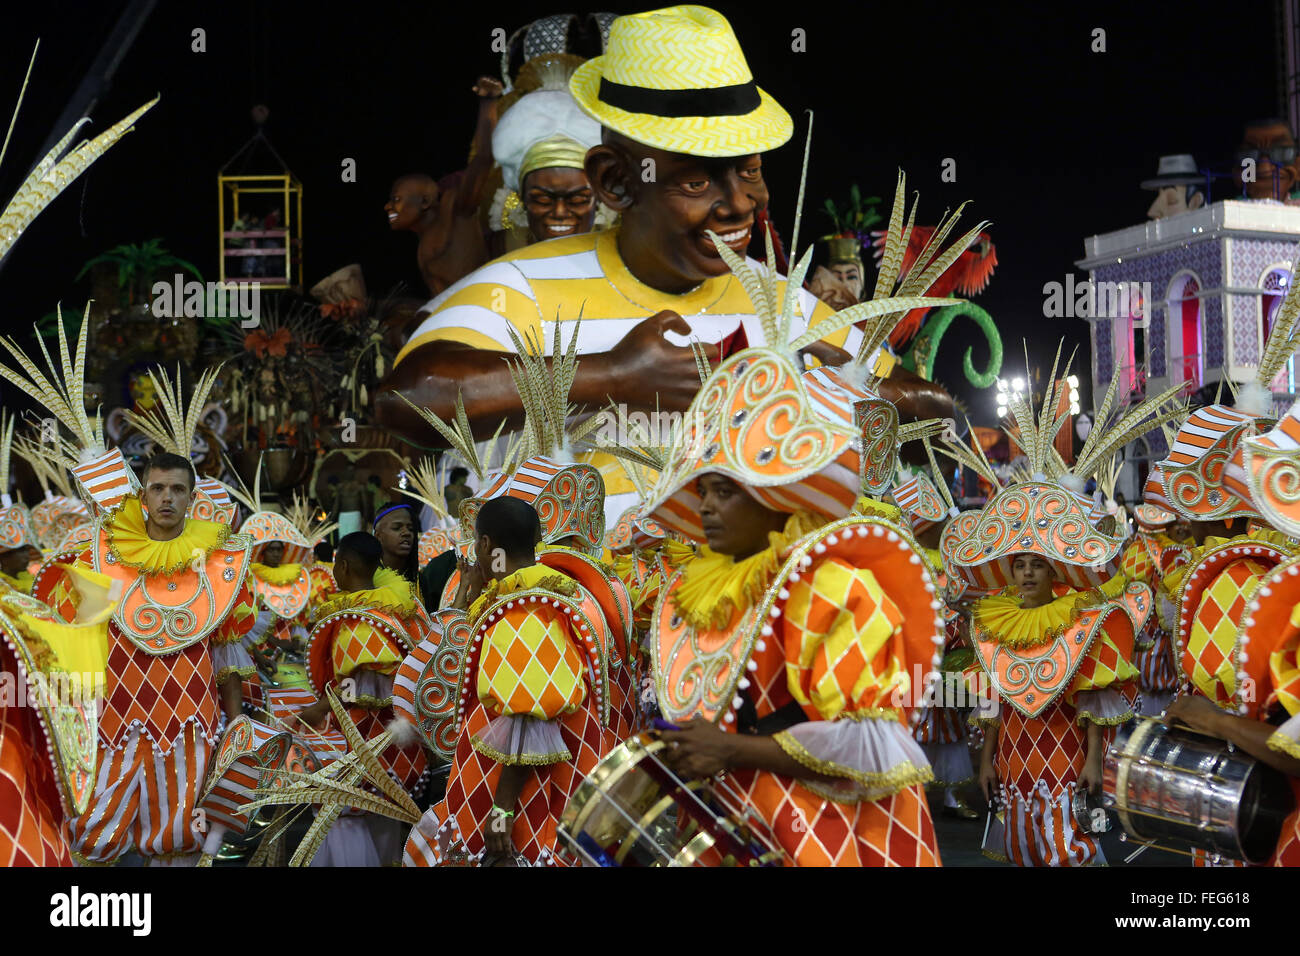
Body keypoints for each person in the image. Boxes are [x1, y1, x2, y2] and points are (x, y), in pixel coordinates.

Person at [375, 6, 865, 457]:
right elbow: (407, 398)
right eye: (695, 181)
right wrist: (610, 375)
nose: (740, 206)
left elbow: (924, 406)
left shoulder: (781, 302)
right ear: (615, 180)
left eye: (750, 172)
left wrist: (832, 389)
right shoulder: (522, 287)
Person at [64, 452, 260, 865]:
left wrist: (236, 727)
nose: (167, 498)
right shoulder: (102, 553)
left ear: (191, 498)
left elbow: (226, 654)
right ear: (143, 496)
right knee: (89, 834)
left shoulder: (219, 562)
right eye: (157, 488)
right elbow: (79, 641)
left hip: (189, 725)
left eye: (177, 489)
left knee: (180, 839)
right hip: (111, 722)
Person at [404, 496, 619, 866]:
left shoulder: (525, 612)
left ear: (486, 544)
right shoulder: (529, 601)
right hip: (510, 790)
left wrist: (502, 813)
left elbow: (528, 716)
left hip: (522, 800)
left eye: (476, 543)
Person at [298, 531, 432, 865]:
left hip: (369, 745)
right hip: (397, 745)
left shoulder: (361, 622)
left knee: (348, 817)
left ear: (342, 565)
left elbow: (360, 689)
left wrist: (318, 708)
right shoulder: (394, 609)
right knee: (381, 821)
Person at [384, 76, 504, 297]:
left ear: (425, 202)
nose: (387, 207)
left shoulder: (456, 208)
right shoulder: (422, 245)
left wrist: (488, 102)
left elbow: (484, 157)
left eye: (396, 199)